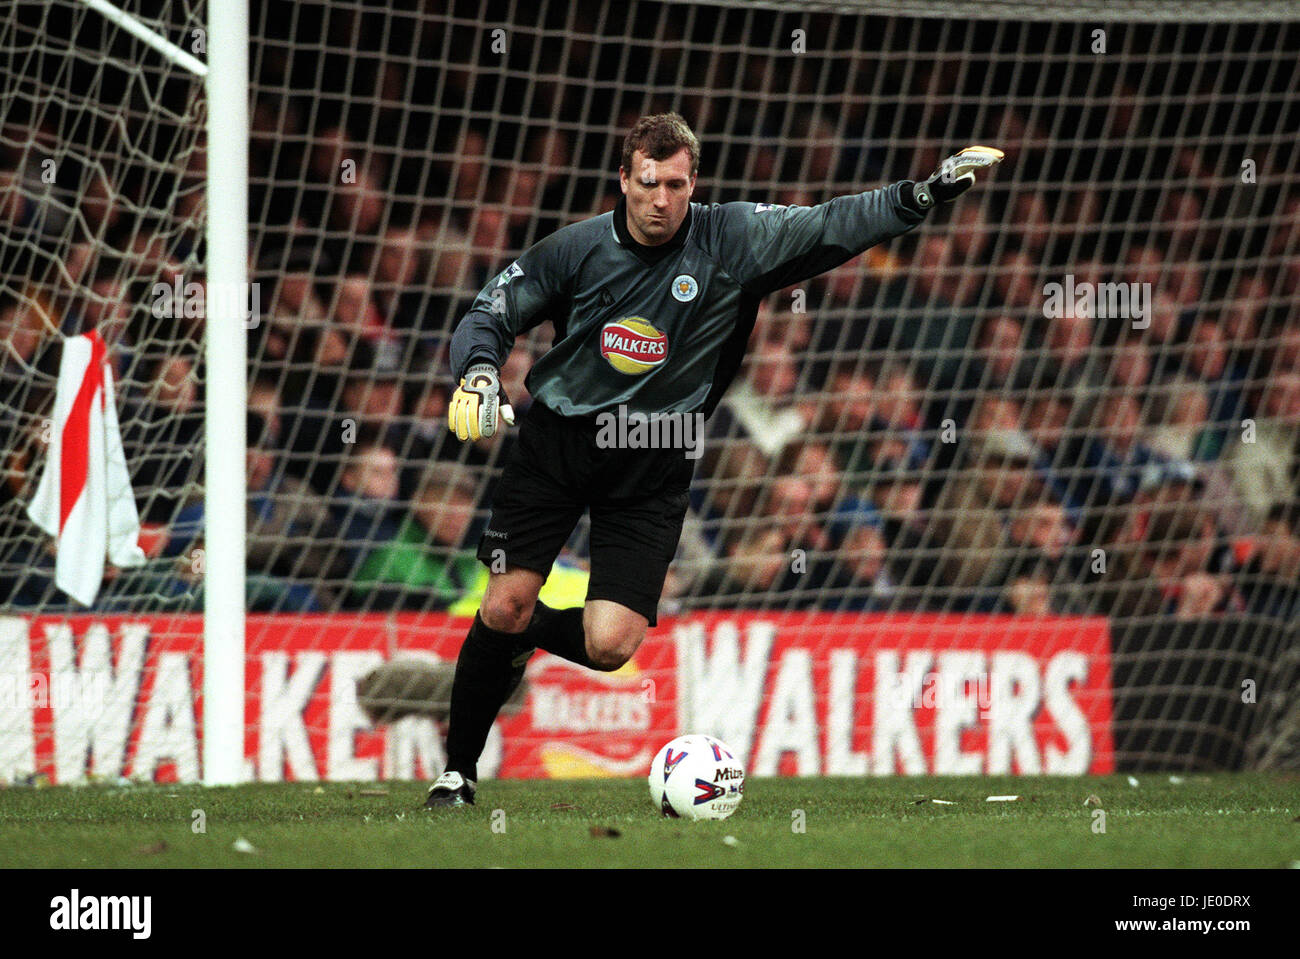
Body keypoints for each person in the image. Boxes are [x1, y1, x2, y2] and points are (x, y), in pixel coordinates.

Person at [426, 112, 1002, 806]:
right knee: (507, 598)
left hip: (655, 458)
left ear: (693, 182)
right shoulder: (575, 250)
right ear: (623, 180)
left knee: (612, 644)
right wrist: (480, 373)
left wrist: (922, 194)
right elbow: (492, 309)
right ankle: (457, 772)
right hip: (557, 444)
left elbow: (830, 224)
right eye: (648, 183)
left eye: (675, 184)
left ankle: (514, 638)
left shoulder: (734, 239)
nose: (661, 199)